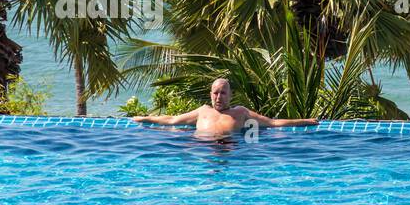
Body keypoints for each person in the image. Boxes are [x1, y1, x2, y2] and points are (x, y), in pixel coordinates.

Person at [131, 78, 317, 135]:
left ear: (230, 95)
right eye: (215, 93)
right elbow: (172, 120)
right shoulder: (202, 111)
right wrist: (144, 118)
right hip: (201, 148)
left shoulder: (240, 113)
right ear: (210, 94)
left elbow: (273, 123)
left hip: (230, 148)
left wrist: (305, 121)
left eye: (223, 93)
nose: (218, 97)